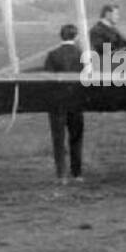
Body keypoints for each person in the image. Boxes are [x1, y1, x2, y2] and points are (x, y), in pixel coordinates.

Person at [45, 23, 85, 182]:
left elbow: (47, 80)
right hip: (76, 101)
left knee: (58, 139)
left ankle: (61, 174)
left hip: (57, 103)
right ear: (75, 37)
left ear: (61, 36)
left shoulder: (52, 55)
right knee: (76, 138)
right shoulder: (81, 54)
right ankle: (77, 173)